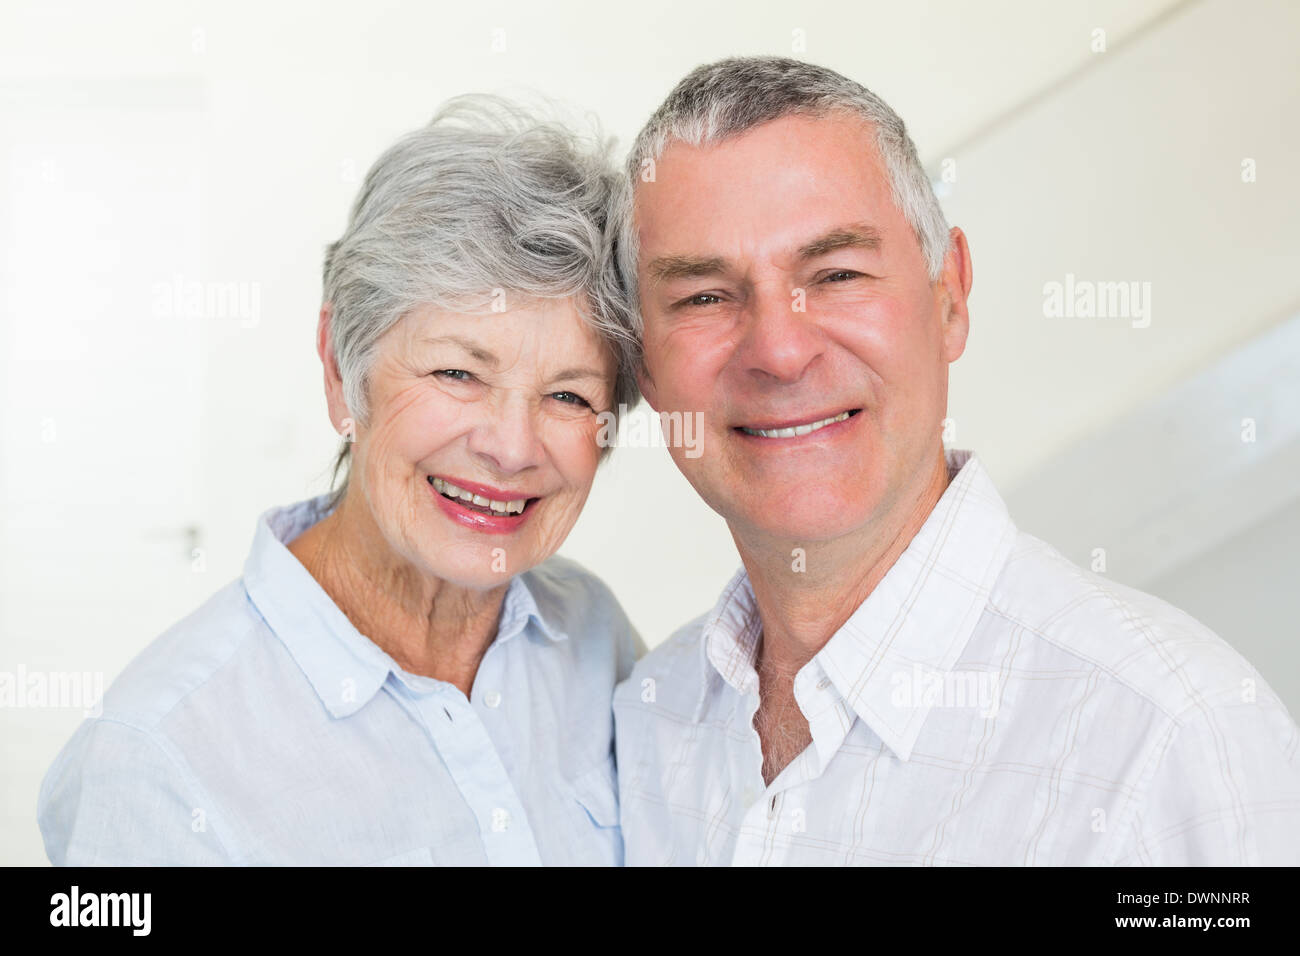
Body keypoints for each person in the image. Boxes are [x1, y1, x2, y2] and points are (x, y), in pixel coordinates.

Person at [611, 56, 1300, 865]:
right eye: (703, 298)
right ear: (645, 367)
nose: (781, 351)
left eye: (835, 274)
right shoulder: (642, 724)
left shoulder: (1168, 736)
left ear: (949, 300)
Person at [39, 95, 644, 866]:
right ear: (340, 370)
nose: (510, 448)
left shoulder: (592, 631)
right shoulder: (155, 759)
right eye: (458, 371)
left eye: (568, 395)